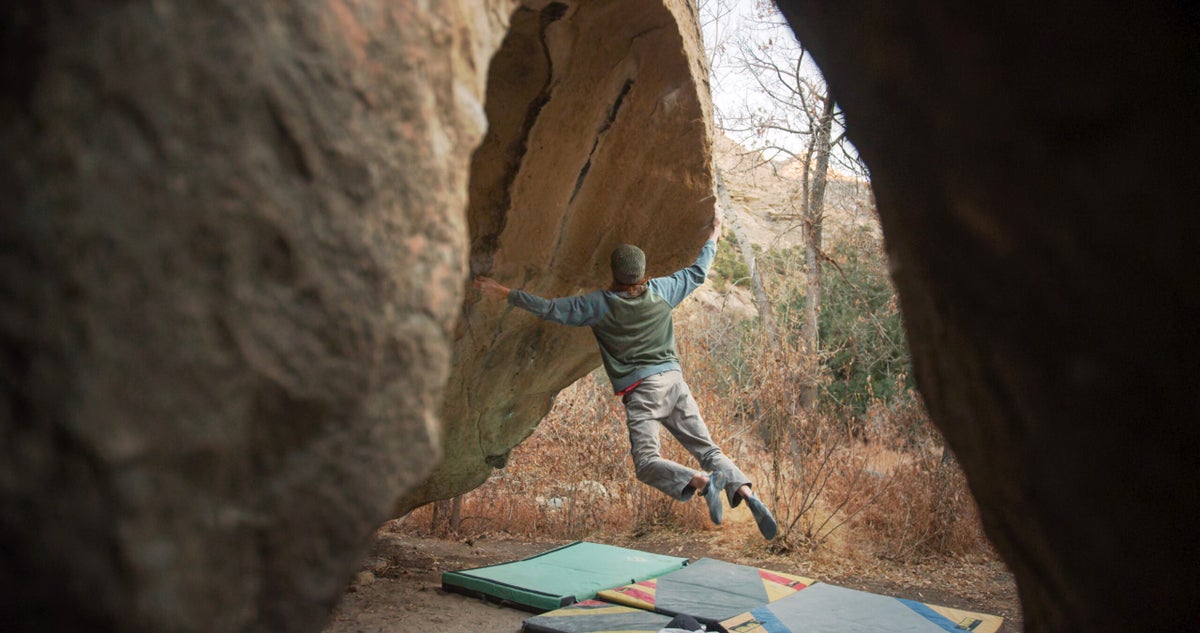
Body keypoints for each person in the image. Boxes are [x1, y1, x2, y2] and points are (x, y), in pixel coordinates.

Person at [473, 208, 777, 540]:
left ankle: (704, 482)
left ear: (614, 272)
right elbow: (699, 271)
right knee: (709, 450)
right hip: (676, 384)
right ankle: (747, 494)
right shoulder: (662, 291)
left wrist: (503, 293)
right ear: (642, 272)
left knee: (647, 463)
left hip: (643, 392)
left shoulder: (599, 306)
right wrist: (715, 230)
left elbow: (550, 308)